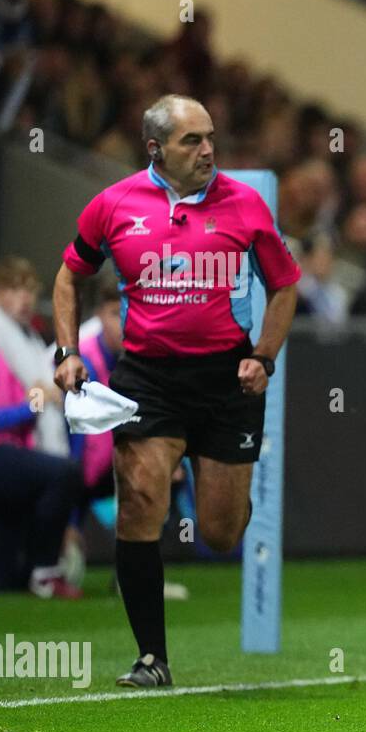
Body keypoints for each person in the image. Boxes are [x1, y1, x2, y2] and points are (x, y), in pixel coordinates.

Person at [52, 93, 301, 688]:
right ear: (156, 148)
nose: (208, 149)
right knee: (139, 502)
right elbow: (69, 275)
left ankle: (222, 490)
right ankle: (151, 658)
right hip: (148, 377)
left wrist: (264, 355)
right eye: (193, 140)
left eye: (211, 136)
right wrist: (66, 353)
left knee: (218, 534)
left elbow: (286, 285)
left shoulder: (244, 207)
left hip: (225, 379)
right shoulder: (113, 205)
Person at [0, 256, 84, 597]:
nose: (25, 298)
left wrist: (36, 404)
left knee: (1, 583)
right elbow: (22, 409)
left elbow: (36, 405)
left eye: (30, 290)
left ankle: (31, 570)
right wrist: (33, 405)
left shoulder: (26, 343)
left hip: (14, 450)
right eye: (15, 289)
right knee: (62, 473)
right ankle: (45, 571)